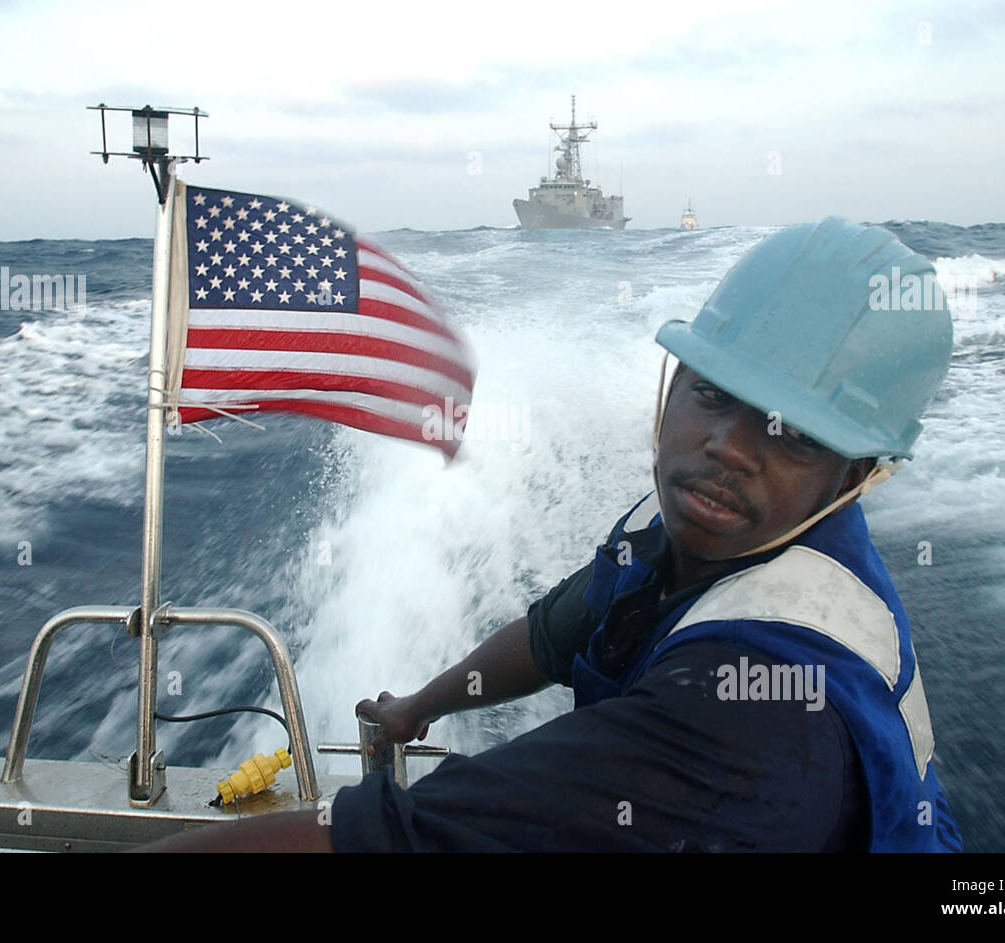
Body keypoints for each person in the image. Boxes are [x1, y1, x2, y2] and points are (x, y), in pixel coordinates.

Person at [142, 216, 963, 853]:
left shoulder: (759, 712)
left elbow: (397, 841)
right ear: (671, 383)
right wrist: (418, 708)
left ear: (855, 477)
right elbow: (557, 628)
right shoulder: (698, 531)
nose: (729, 447)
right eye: (713, 393)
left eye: (794, 436)